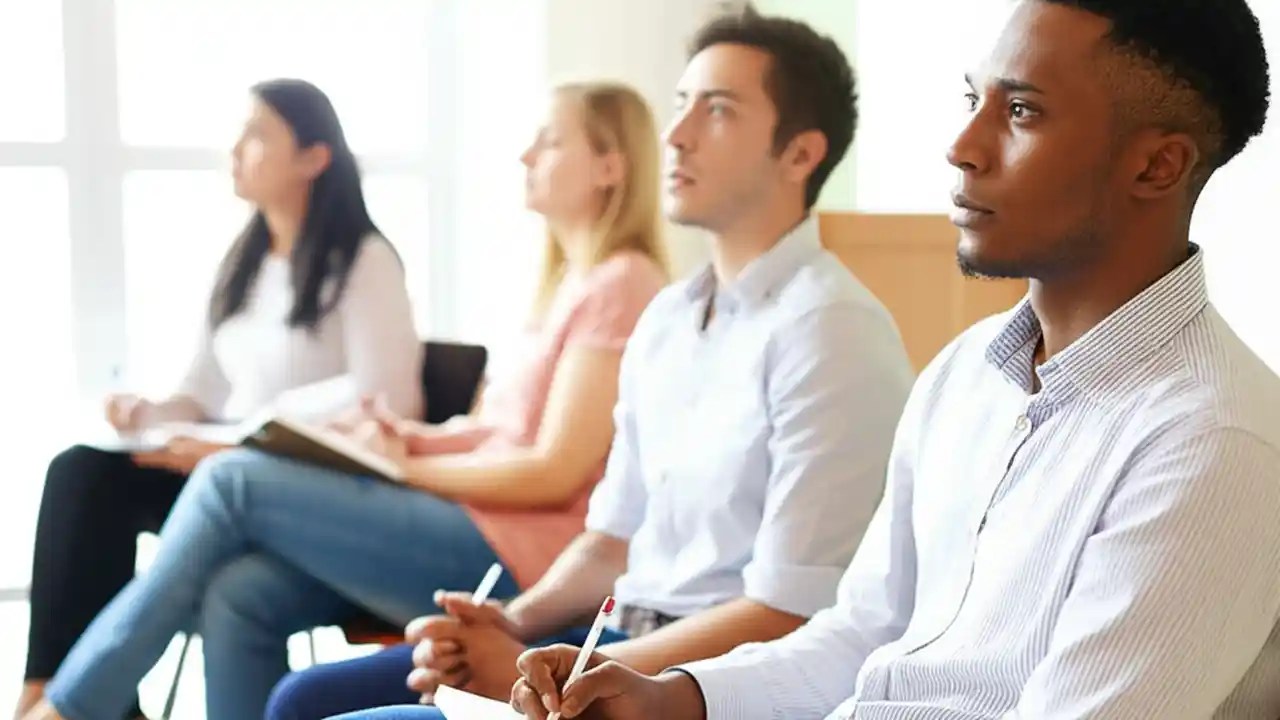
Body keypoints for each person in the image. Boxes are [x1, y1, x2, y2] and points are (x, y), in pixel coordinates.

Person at [504, 0, 1280, 718]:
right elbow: (863, 635)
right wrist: (670, 697)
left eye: (1021, 112)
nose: (963, 147)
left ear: (1156, 166)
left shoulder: (1211, 440)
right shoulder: (965, 373)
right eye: (973, 100)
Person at [286, 9, 916, 720]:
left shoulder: (832, 330)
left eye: (717, 110)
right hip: (613, 640)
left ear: (800, 154)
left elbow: (788, 613)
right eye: (680, 104)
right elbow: (609, 543)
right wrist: (510, 625)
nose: (676, 135)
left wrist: (556, 669)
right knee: (302, 698)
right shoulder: (670, 317)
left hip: (700, 676)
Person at [20, 80, 669, 720]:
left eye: (549, 142)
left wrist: (402, 469)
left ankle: (69, 708)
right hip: (474, 521)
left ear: (610, 167)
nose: (526, 155)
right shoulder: (564, 285)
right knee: (239, 593)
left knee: (230, 480)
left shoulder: (623, 283)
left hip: (526, 556)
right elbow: (497, 433)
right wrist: (407, 439)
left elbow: (555, 469)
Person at [14, 77, 423, 720]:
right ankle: (47, 688)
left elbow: (389, 397)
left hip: (294, 485)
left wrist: (236, 441)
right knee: (83, 470)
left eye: (258, 134)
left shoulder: (365, 260)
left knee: (220, 509)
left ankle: (72, 704)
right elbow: (203, 390)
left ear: (314, 158)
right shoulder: (244, 263)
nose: (236, 149)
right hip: (223, 463)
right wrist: (150, 414)